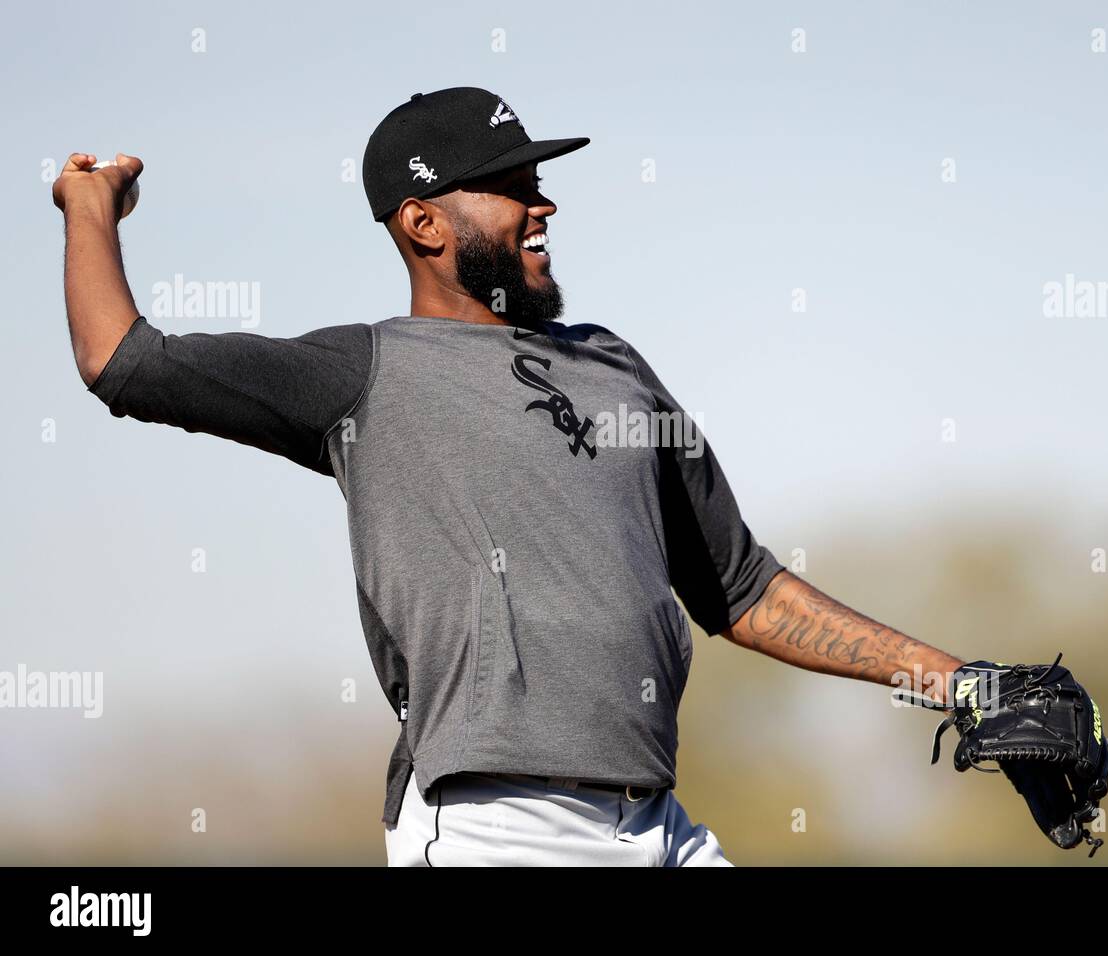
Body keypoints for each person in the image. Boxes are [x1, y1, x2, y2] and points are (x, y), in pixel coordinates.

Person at [53, 86, 962, 866]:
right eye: (511, 187)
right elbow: (122, 361)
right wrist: (91, 206)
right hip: (498, 825)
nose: (542, 206)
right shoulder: (364, 373)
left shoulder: (615, 365)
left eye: (540, 184)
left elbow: (740, 588)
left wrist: (964, 685)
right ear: (423, 222)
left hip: (656, 824)